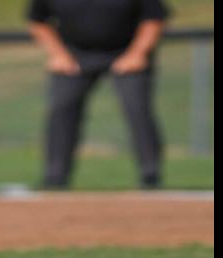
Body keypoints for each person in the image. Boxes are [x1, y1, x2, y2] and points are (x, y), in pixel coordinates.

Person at [27, 0, 169, 190]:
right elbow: (37, 20)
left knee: (137, 108)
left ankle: (151, 175)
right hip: (74, 54)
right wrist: (57, 54)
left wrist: (137, 53)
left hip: (127, 51)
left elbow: (154, 18)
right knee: (61, 109)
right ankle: (55, 176)